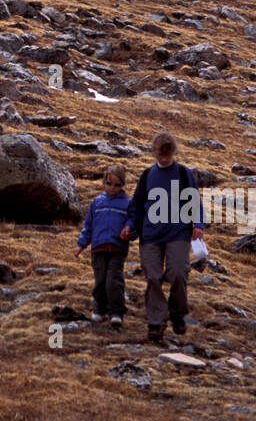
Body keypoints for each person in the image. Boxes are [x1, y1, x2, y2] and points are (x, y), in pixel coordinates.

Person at [122, 131, 205, 344]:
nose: (164, 159)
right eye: (161, 156)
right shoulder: (147, 175)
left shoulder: (184, 174)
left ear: (174, 152)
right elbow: (137, 206)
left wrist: (198, 224)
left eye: (168, 156)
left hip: (178, 232)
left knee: (178, 272)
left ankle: (177, 313)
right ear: (155, 153)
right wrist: (130, 225)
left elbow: (194, 202)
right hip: (150, 234)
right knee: (153, 277)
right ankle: (156, 322)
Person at [74, 166, 130, 331]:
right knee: (100, 281)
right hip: (98, 249)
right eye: (109, 183)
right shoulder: (97, 202)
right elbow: (88, 226)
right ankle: (100, 308)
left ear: (123, 185)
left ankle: (116, 312)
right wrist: (81, 245)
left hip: (117, 249)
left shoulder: (127, 204)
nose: (112, 188)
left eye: (117, 185)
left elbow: (132, 222)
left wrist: (129, 230)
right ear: (104, 182)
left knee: (113, 280)